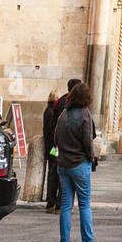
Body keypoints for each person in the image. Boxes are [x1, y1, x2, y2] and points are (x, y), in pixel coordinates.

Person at [52, 80, 99, 242]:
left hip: (63, 164)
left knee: (65, 205)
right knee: (84, 204)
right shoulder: (85, 114)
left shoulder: (63, 114)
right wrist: (91, 157)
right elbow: (88, 141)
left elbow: (56, 138)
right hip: (79, 164)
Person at [44, 77, 80, 213]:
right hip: (66, 146)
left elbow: (54, 124)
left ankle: (50, 202)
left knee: (53, 170)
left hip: (55, 145)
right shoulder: (73, 102)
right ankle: (60, 203)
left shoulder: (60, 101)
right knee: (63, 173)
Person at [41, 90, 60, 212]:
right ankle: (51, 200)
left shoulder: (48, 110)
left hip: (50, 146)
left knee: (52, 171)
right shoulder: (52, 111)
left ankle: (50, 200)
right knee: (54, 171)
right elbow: (52, 131)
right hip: (54, 147)